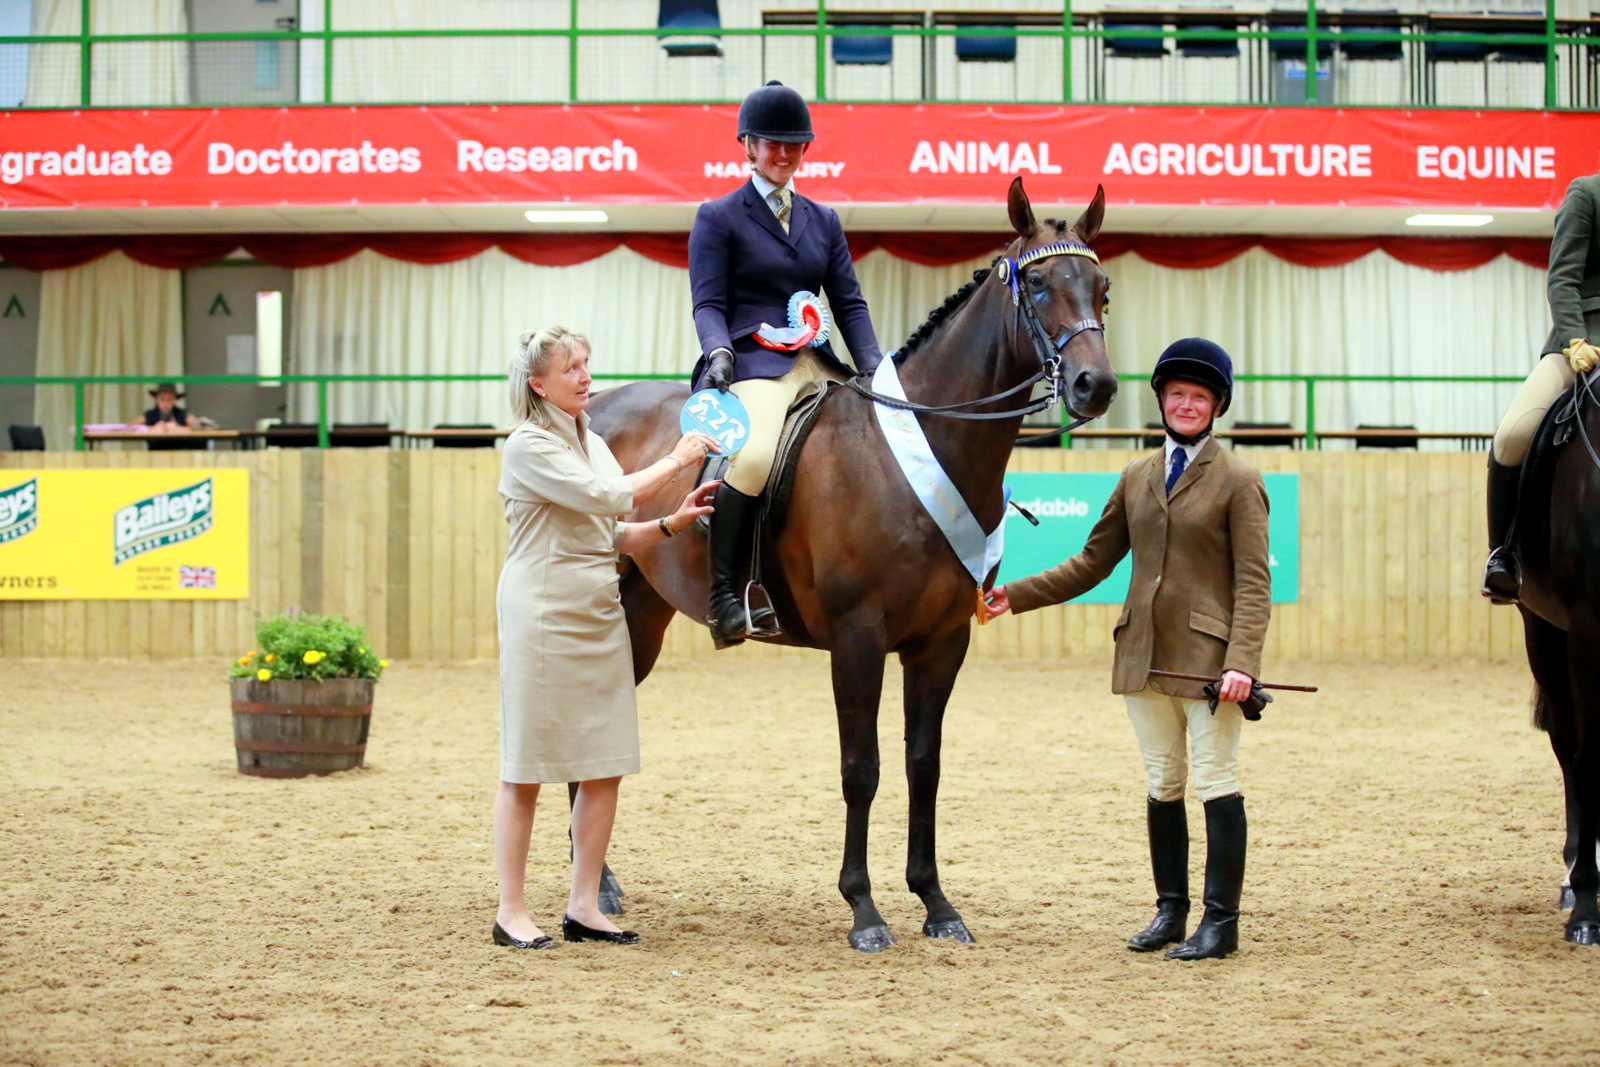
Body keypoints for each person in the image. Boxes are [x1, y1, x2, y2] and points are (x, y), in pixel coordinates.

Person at [981, 339, 1272, 961]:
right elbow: (1093, 561)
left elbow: (1253, 582)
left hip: (1209, 663)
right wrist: (1018, 594)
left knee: (1215, 780)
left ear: (1216, 405)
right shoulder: (1136, 475)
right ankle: (1171, 911)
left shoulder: (1239, 480)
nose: (1186, 405)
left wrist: (1243, 661)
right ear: (1162, 401)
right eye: (1177, 395)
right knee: (1163, 782)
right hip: (1142, 653)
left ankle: (1221, 922)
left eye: (1198, 396)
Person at [493, 323, 719, 950]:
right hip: (543, 610)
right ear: (538, 384)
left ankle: (583, 906)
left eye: (587, 364)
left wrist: (672, 523)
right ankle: (511, 911)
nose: (586, 376)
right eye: (572, 368)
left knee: (605, 764)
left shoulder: (589, 439)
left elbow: (613, 534)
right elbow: (607, 495)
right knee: (526, 769)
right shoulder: (528, 446)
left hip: (594, 607)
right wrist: (675, 459)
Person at [688, 80, 884, 649]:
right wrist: (719, 350)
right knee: (750, 459)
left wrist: (873, 367)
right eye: (772, 143)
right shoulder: (718, 215)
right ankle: (725, 595)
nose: (783, 154)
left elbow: (847, 301)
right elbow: (709, 302)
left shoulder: (822, 220)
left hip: (817, 361)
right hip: (751, 361)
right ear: (748, 145)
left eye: (794, 145)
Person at [1483, 168, 1600, 604]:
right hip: (1584, 342)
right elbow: (1563, 277)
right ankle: (1504, 555)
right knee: (1513, 435)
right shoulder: (1587, 192)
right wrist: (1574, 339)